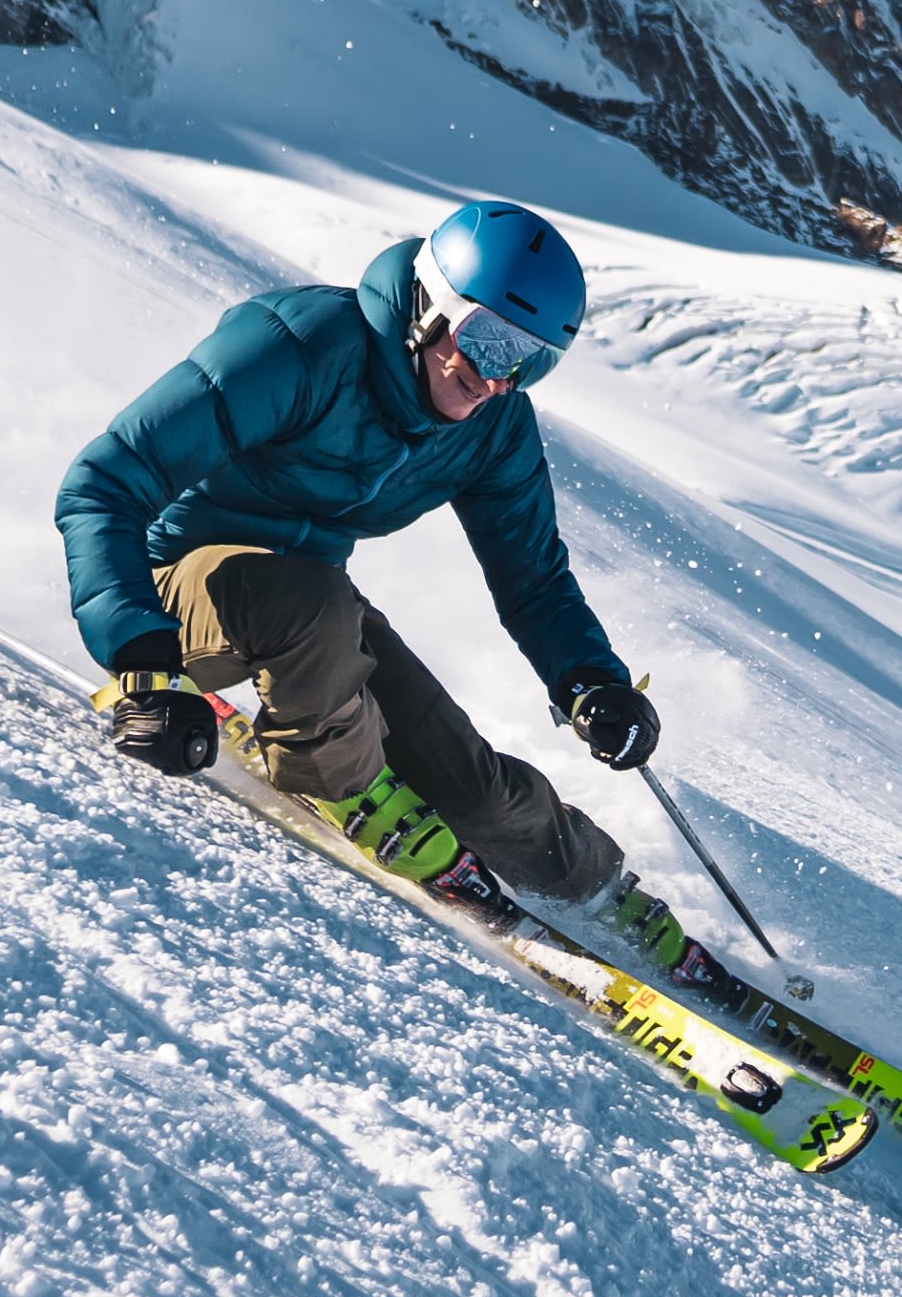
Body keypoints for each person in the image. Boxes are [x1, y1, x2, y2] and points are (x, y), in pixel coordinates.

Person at [57, 198, 661, 909]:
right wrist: (144, 662)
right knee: (310, 604)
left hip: (314, 616)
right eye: (492, 341)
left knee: (472, 785)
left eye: (531, 362)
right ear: (432, 303)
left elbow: (532, 578)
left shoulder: (492, 426)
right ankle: (340, 779)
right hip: (172, 601)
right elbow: (102, 484)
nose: (498, 379)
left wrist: (592, 680)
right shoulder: (298, 346)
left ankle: (594, 888)